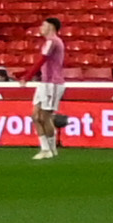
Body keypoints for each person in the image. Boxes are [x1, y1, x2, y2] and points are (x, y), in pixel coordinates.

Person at [28, 17, 69, 161]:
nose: (41, 28)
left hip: (53, 84)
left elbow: (42, 59)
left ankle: (50, 149)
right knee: (35, 116)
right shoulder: (49, 42)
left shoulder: (53, 41)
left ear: (51, 27)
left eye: (43, 25)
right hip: (44, 83)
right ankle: (45, 148)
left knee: (45, 116)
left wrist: (27, 76)